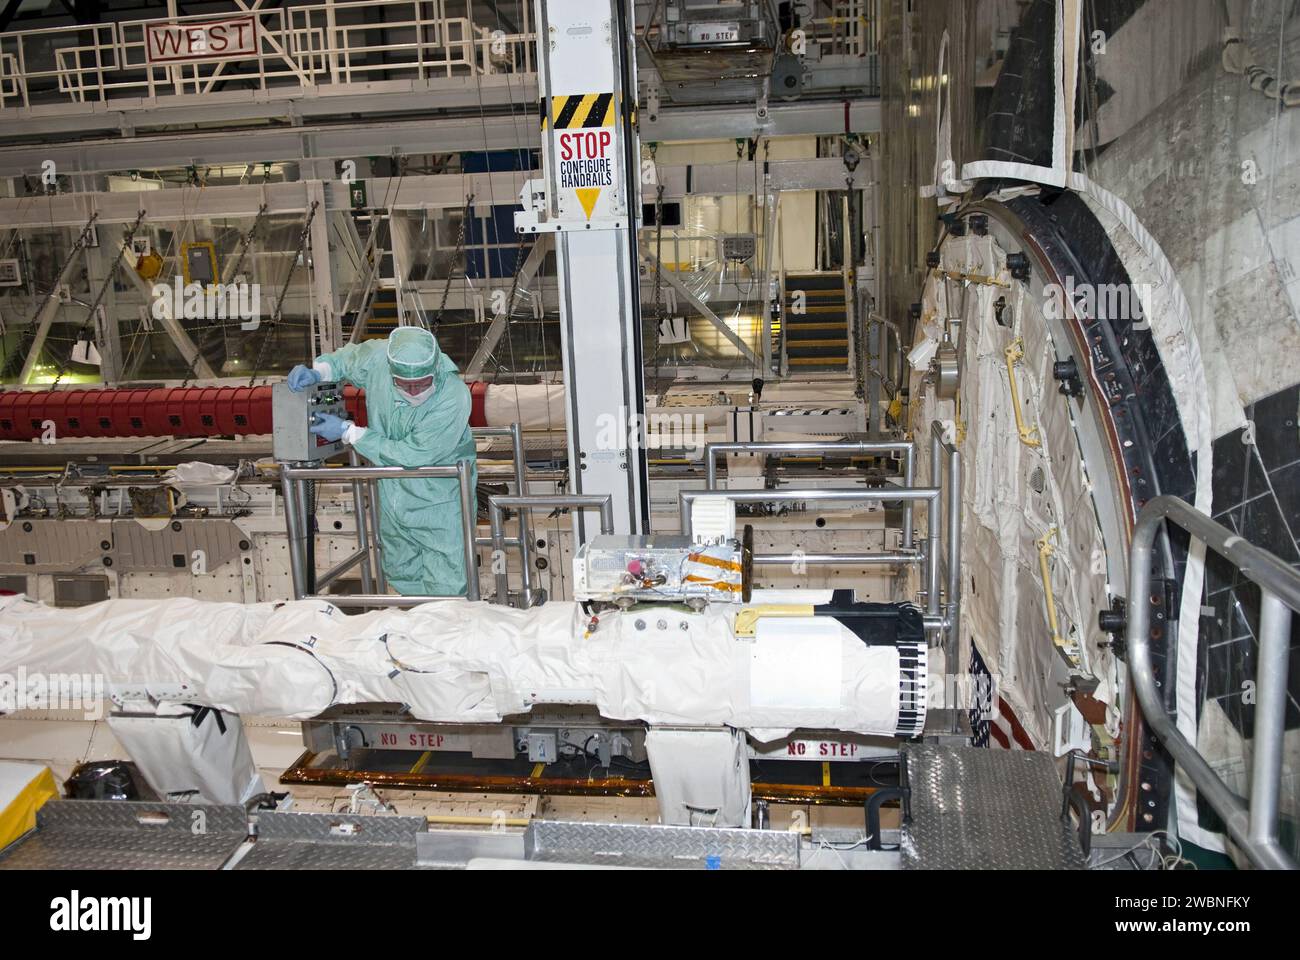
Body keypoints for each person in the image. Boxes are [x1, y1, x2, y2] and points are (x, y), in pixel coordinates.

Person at [287, 327, 477, 597]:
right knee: (401, 571)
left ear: (436, 370)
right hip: (393, 496)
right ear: (390, 372)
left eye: (422, 383)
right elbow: (348, 359)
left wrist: (350, 432)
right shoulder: (379, 360)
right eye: (403, 383)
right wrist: (320, 372)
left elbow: (414, 454)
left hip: (440, 501)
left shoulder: (453, 396)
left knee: (447, 583)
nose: (412, 390)